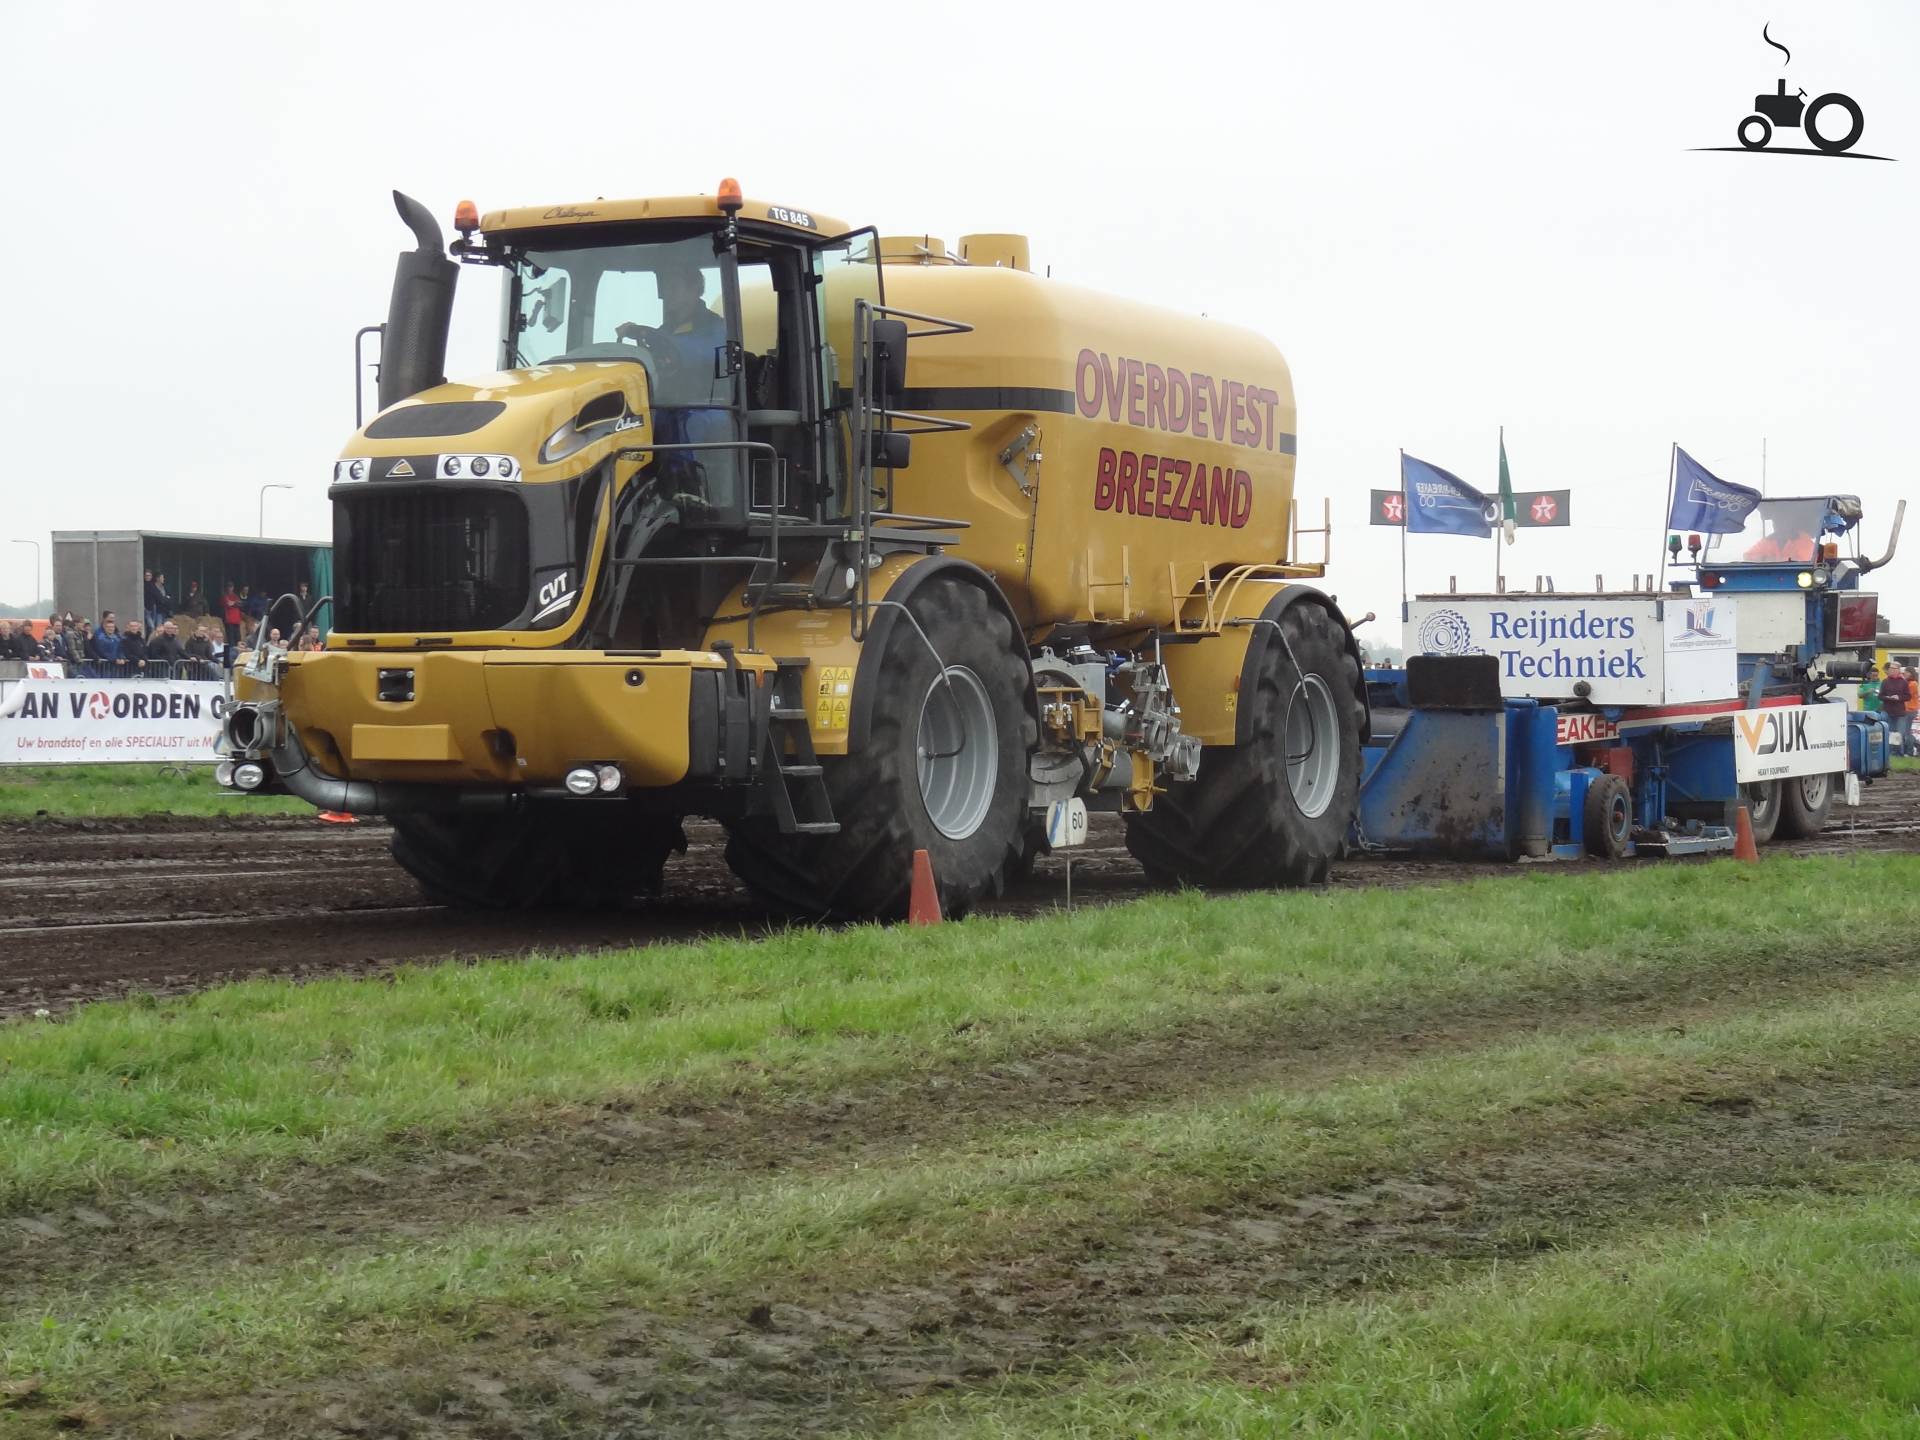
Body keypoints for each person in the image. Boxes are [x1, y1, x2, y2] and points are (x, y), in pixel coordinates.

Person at [615, 261, 725, 390]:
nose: (667, 293)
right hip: (666, 402)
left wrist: (649, 335)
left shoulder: (715, 327)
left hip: (704, 403)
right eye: (666, 288)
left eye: (673, 287)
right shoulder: (666, 329)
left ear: (693, 290)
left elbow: (702, 353)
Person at [1882, 662, 1915, 758]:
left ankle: (1900, 753)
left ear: (1898, 670)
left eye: (1893, 668)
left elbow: (1908, 696)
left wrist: (1898, 697)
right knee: (1891, 733)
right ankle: (1892, 753)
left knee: (1899, 733)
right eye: (1890, 668)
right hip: (1888, 711)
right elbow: (1880, 696)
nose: (1891, 670)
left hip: (1900, 712)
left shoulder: (1903, 682)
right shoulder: (1885, 681)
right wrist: (1888, 697)